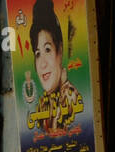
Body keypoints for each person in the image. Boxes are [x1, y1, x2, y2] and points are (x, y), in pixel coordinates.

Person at [30, 0, 84, 135]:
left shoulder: (71, 98)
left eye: (47, 50)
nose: (42, 64)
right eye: (37, 54)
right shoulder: (43, 106)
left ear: (60, 51)